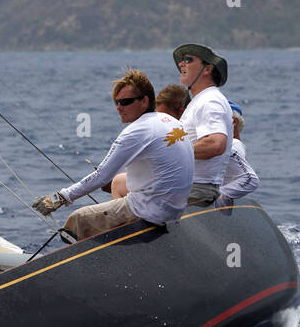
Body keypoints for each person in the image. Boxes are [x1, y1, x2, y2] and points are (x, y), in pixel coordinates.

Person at [31, 70, 192, 240]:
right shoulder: (169, 121)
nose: (119, 107)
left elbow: (101, 176)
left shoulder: (135, 132)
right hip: (176, 208)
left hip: (153, 212)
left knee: (78, 220)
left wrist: (59, 198)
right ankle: (120, 233)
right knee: (117, 182)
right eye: (117, 102)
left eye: (126, 102)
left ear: (145, 101)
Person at [173, 43, 232, 206]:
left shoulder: (209, 100)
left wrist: (170, 155)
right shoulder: (202, 100)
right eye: (181, 61)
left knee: (119, 184)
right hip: (187, 186)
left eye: (188, 60)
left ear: (207, 69)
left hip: (195, 188)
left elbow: (215, 144)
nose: (181, 64)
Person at [112, 84, 190, 199]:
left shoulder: (183, 133)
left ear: (182, 111)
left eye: (165, 117)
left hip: (174, 190)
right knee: (119, 180)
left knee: (117, 183)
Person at [214, 100, 258, 207]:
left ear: (233, 122)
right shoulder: (234, 145)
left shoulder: (233, 146)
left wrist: (216, 197)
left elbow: (250, 180)